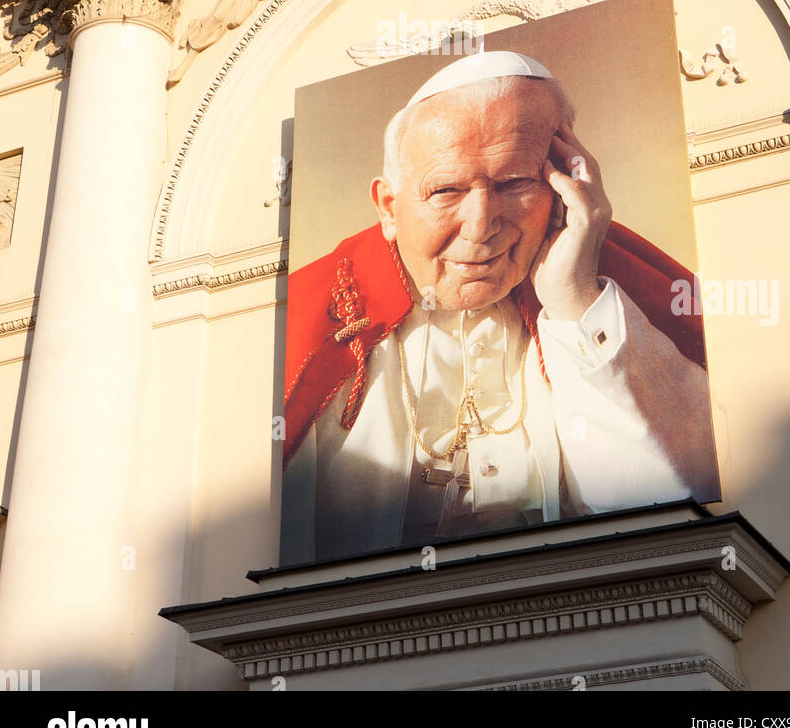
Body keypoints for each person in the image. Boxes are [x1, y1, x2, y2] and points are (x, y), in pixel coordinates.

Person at [281, 52, 719, 563]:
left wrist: (573, 299)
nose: (481, 224)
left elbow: (668, 521)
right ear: (387, 207)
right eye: (445, 190)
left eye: (515, 183)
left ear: (565, 188)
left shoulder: (616, 293)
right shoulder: (314, 320)